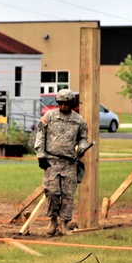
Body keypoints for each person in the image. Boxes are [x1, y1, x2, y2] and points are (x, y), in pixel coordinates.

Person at [33, 89, 89, 236]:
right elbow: (40, 135)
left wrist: (82, 147)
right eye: (61, 103)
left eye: (66, 103)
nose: (63, 106)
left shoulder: (79, 121)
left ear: (71, 104)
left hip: (69, 163)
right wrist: (41, 155)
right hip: (52, 161)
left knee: (68, 195)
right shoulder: (49, 117)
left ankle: (64, 224)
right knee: (51, 192)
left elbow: (83, 138)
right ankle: (52, 220)